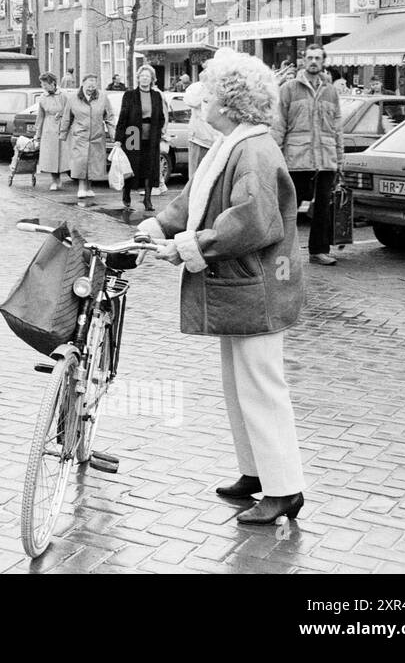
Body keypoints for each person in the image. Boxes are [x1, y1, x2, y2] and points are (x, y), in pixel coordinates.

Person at [137, 47, 306, 525]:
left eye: (209, 95)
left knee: (261, 385)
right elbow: (196, 199)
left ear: (231, 104)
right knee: (239, 384)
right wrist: (158, 227)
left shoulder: (252, 151)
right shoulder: (232, 144)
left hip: (258, 287)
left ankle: (285, 488)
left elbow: (252, 221)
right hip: (244, 286)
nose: (202, 101)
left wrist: (191, 246)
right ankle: (257, 472)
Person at [272, 44, 343, 267]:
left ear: (323, 62)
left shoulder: (331, 91)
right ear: (303, 60)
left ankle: (319, 251)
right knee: (289, 209)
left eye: (317, 58)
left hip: (325, 160)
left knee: (323, 208)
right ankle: (280, 251)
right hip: (297, 160)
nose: (313, 61)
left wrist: (340, 160)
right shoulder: (289, 89)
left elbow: (337, 127)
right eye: (310, 57)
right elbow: (279, 125)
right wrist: (275, 157)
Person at [114, 64, 165, 211]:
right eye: (142, 76)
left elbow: (161, 117)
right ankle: (127, 192)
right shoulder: (129, 95)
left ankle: (147, 199)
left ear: (152, 79)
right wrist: (118, 139)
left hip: (151, 136)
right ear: (138, 78)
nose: (144, 79)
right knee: (131, 165)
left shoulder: (156, 96)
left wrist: (159, 131)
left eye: (147, 76)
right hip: (133, 133)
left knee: (150, 167)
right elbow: (123, 117)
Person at [58, 74, 114, 202]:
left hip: (96, 135)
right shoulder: (73, 99)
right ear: (83, 84)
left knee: (93, 162)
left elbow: (109, 117)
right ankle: (81, 187)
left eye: (93, 86)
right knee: (81, 162)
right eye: (89, 85)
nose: (91, 89)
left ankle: (89, 187)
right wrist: (63, 134)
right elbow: (66, 117)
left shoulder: (103, 98)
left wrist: (113, 134)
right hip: (80, 135)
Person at [30, 72, 70, 189]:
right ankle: (55, 180)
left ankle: (63, 178)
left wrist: (61, 114)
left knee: (63, 155)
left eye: (45, 84)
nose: (43, 87)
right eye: (42, 84)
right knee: (51, 155)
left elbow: (70, 109)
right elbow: (40, 115)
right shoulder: (43, 97)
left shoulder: (63, 95)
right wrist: (38, 133)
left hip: (62, 126)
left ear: (52, 83)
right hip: (48, 127)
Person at [183, 80, 216, 176]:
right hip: (199, 141)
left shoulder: (221, 87)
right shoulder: (197, 87)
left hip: (216, 142)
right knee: (196, 177)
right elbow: (191, 101)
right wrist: (205, 89)